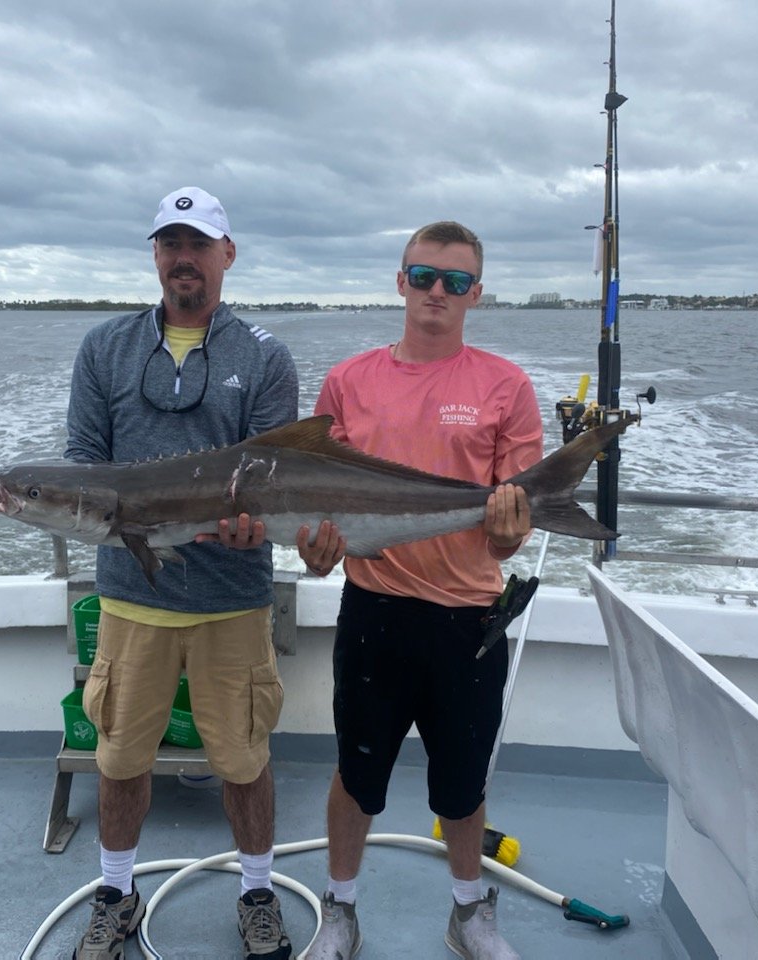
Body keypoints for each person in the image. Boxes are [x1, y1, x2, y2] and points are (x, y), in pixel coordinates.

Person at [296, 221, 542, 960]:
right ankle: (340, 909)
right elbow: (316, 514)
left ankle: (469, 913)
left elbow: (508, 538)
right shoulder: (348, 381)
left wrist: (504, 528)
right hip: (374, 611)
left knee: (462, 786)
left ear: (477, 294)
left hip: (469, 620)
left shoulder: (507, 386)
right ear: (399, 281)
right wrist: (315, 553)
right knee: (357, 773)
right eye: (425, 275)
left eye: (456, 281)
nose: (439, 292)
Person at [65, 186, 299, 960]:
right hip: (132, 597)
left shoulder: (264, 355)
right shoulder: (104, 348)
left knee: (243, 760)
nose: (183, 258)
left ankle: (257, 891)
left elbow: (274, 477)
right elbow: (80, 464)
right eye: (170, 243)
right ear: (155, 256)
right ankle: (113, 892)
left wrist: (245, 528)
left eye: (198, 243)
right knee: (121, 759)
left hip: (232, 599)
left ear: (227, 254)